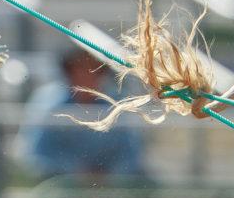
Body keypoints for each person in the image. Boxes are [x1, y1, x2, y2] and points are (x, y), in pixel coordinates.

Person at [11, 46, 147, 183]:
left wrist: (110, 175)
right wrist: (76, 172)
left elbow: (132, 151)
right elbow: (35, 154)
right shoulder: (49, 104)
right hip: (58, 184)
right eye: (80, 69)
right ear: (69, 72)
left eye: (93, 69)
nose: (87, 75)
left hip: (110, 188)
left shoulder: (117, 104)